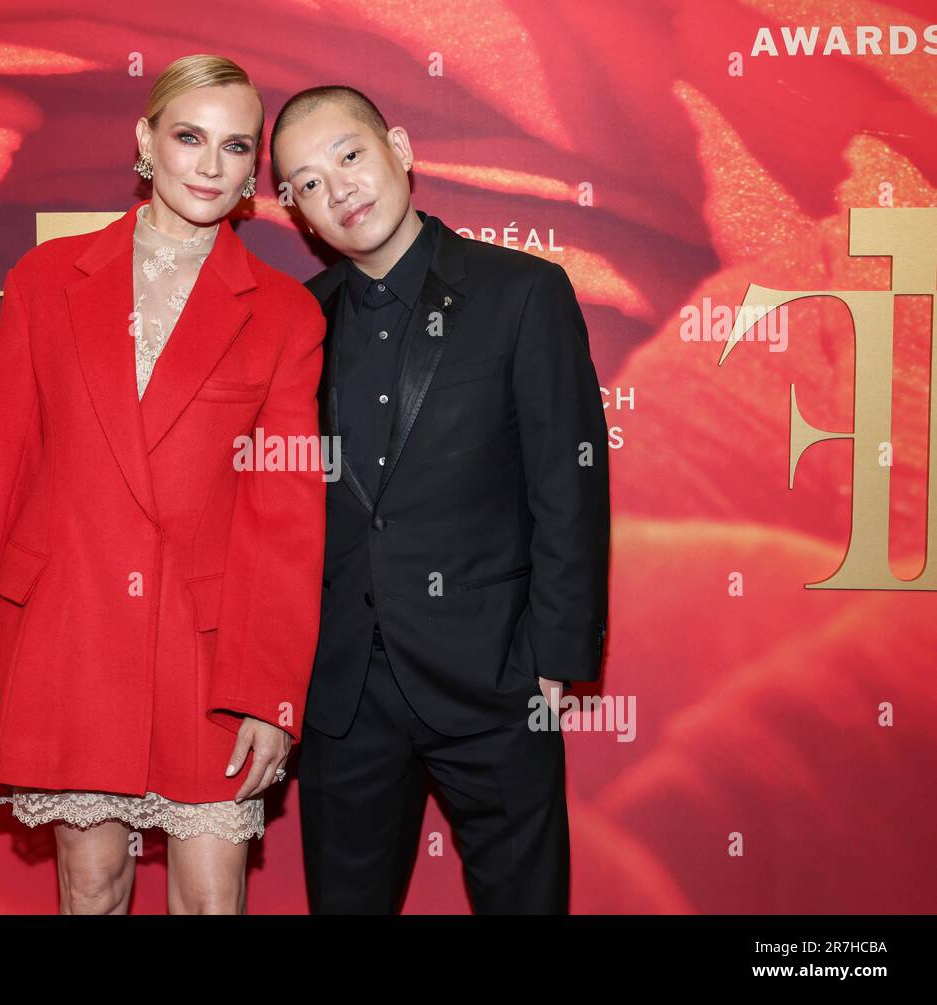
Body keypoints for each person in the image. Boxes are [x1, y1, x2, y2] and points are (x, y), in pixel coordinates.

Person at [0, 55, 326, 915]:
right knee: (93, 887)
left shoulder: (286, 312)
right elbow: (1, 469)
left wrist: (271, 689)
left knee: (212, 901)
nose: (211, 166)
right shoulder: (45, 280)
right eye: (189, 137)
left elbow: (286, 517)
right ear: (145, 141)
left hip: (208, 646)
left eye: (235, 147)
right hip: (70, 626)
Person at [270, 86, 609, 913]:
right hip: (345, 695)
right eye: (306, 183)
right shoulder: (296, 324)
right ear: (299, 215)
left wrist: (557, 658)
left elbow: (568, 480)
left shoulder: (523, 292)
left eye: (348, 156)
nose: (338, 189)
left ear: (401, 146)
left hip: (495, 678)